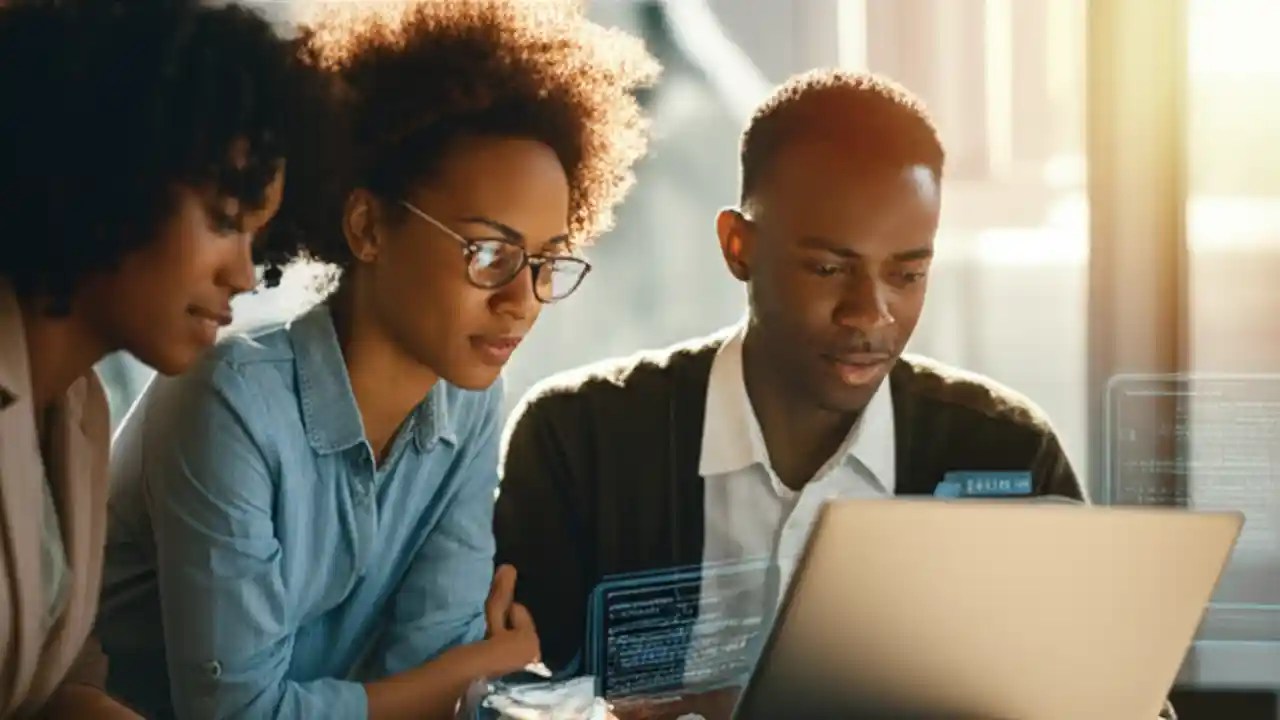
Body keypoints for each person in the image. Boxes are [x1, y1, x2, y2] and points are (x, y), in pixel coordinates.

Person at [95, 2, 658, 718]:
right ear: (367, 226)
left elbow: (433, 669)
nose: (522, 301)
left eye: (547, 261)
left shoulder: (469, 395)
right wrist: (483, 663)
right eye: (488, 253)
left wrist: (519, 687)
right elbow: (238, 714)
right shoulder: (228, 401)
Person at [494, 69, 1113, 716]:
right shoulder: (580, 438)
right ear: (739, 248)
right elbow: (508, 691)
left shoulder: (1006, 449)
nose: (870, 315)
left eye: (906, 275)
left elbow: (1114, 696)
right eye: (829, 269)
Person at [0, 1, 301, 716]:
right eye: (227, 223)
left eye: (257, 237)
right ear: (111, 168)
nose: (246, 275)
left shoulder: (79, 410)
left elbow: (61, 684)